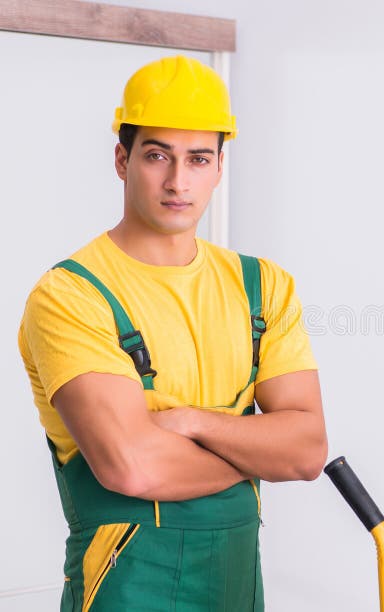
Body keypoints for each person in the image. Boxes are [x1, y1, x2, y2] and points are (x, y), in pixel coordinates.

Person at [18, 55, 327, 611]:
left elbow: (306, 451)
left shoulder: (263, 287)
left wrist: (189, 422)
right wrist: (256, 451)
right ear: (122, 159)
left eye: (198, 159)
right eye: (157, 155)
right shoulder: (71, 295)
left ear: (220, 166)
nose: (178, 181)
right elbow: (131, 465)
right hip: (126, 587)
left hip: (235, 582)